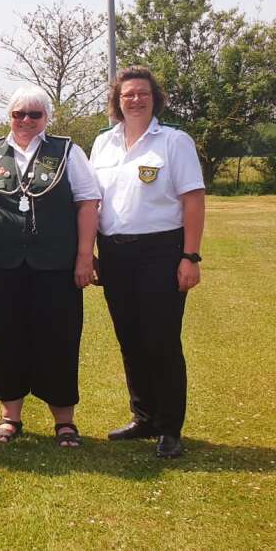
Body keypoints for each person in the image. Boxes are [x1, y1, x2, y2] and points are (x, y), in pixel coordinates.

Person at [0, 86, 100, 448]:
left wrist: (85, 257)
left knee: (60, 337)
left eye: (34, 115)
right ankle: (11, 417)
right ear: (9, 117)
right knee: (7, 336)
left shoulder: (67, 151)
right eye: (18, 114)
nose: (25, 121)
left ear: (46, 119)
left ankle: (65, 422)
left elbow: (88, 203)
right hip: (2, 261)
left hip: (55, 262)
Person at [90, 66, 206, 459]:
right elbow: (92, 203)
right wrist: (87, 249)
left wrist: (190, 256)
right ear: (116, 100)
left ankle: (170, 427)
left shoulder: (174, 141)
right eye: (127, 94)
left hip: (161, 251)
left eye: (142, 93)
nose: (135, 99)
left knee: (161, 340)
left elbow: (193, 200)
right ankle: (144, 417)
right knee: (131, 340)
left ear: (154, 97)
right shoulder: (102, 144)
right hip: (115, 252)